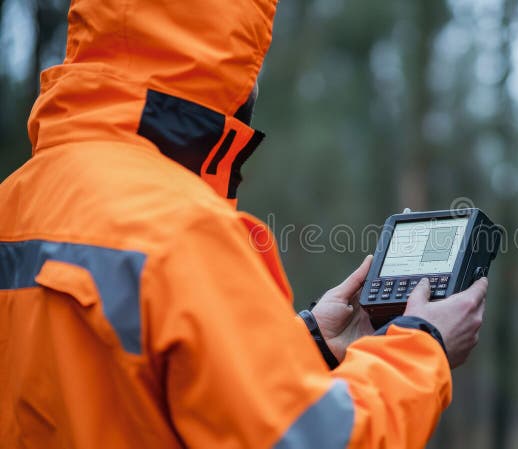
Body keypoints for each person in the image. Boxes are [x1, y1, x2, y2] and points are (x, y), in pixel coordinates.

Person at [0, 1, 488, 448]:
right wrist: (423, 348)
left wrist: (312, 341)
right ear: (225, 62)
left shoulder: (13, 199)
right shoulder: (187, 229)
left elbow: (118, 381)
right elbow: (315, 441)